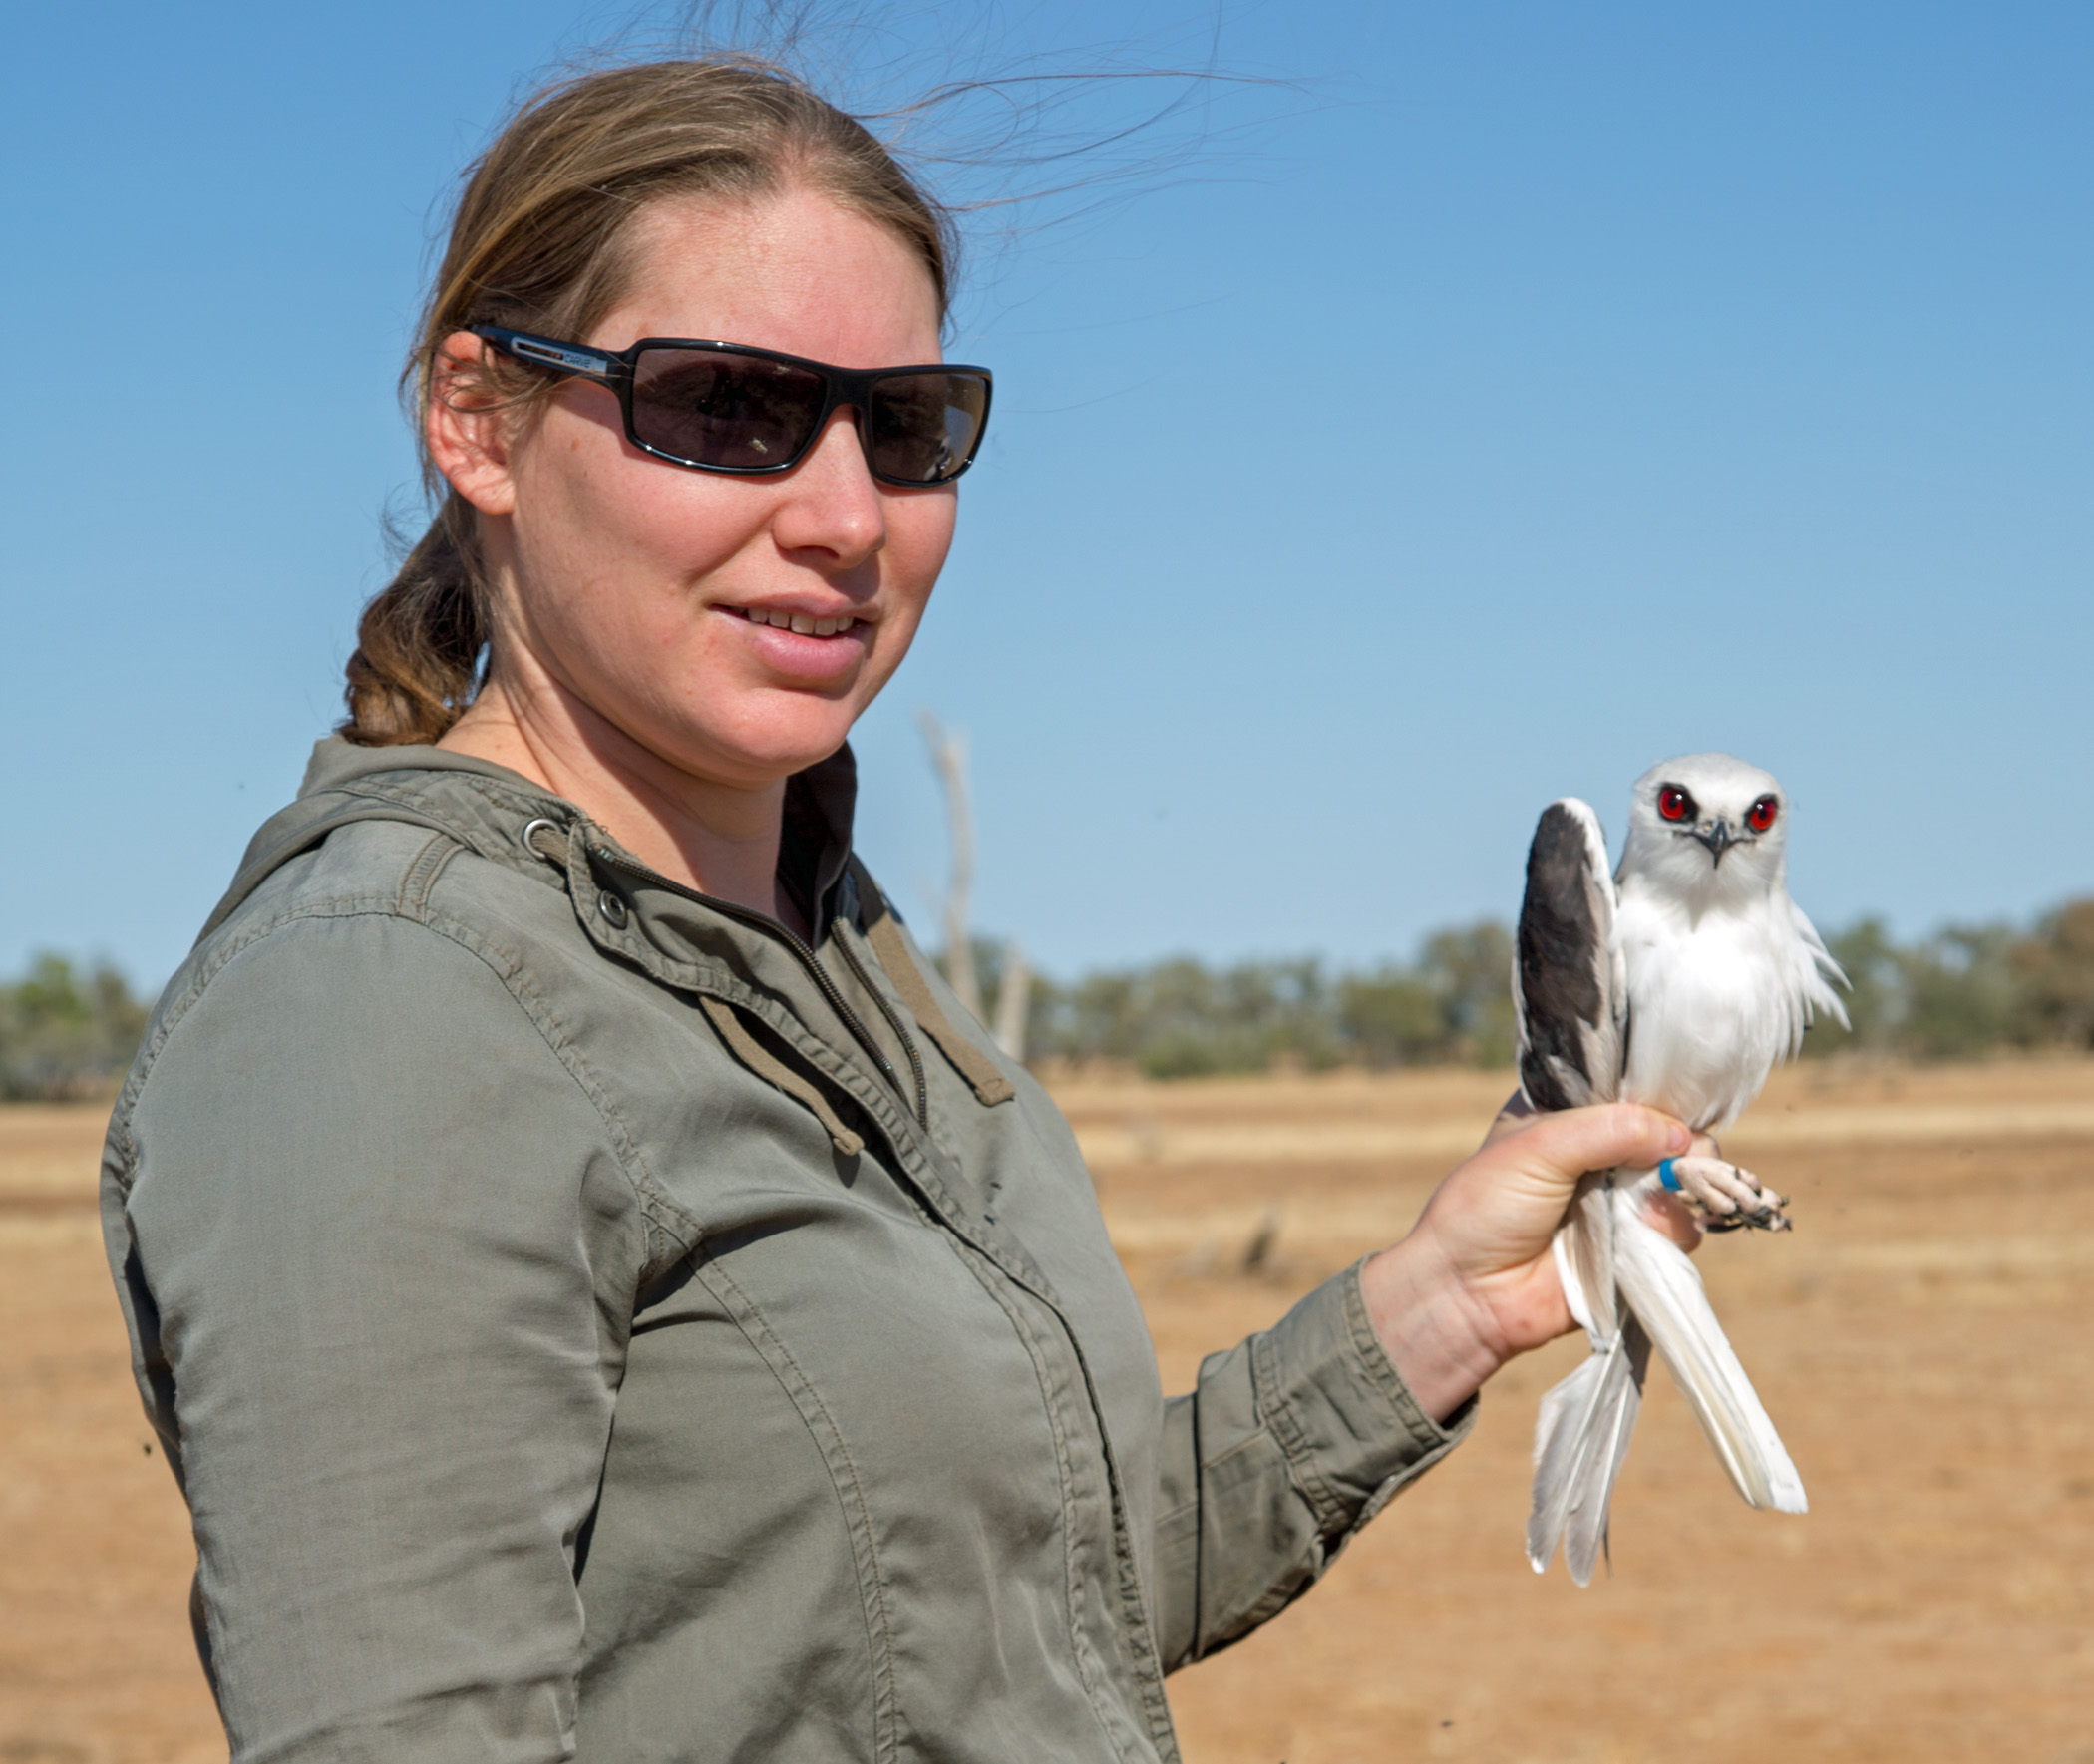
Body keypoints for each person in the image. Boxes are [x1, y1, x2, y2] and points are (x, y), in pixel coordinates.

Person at [100, 55, 1701, 1764]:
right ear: (479, 420)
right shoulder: (387, 1001)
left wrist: (1440, 1305)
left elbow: (994, 1620)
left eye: (909, 425)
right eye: (726, 408)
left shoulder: (825, 939)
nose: (849, 517)